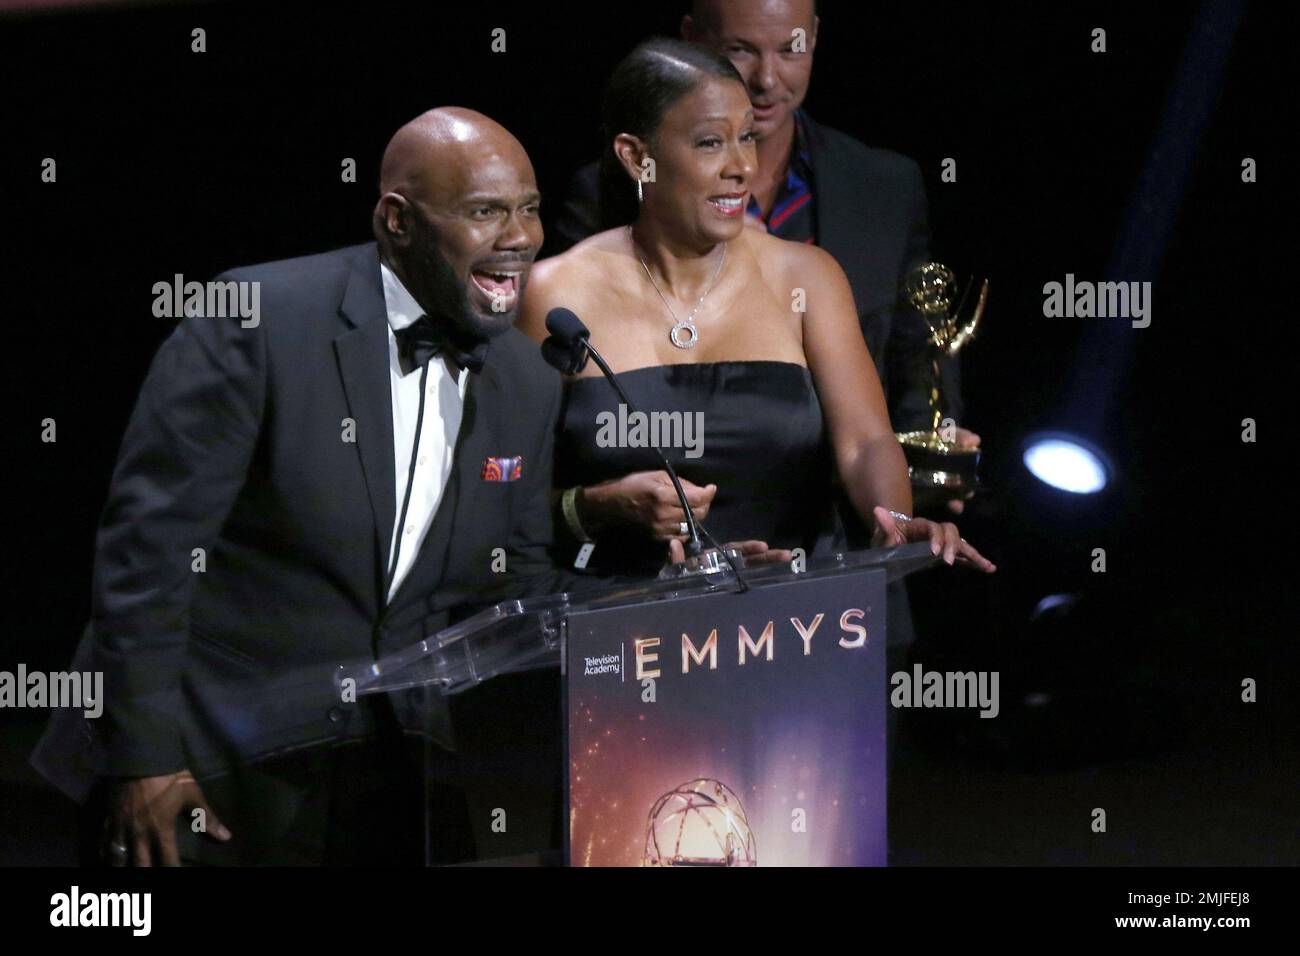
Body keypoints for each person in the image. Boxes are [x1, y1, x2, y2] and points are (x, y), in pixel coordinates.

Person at [31, 107, 585, 866]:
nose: (519, 237)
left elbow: (514, 592)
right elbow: (147, 560)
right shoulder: (254, 321)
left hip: (380, 775)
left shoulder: (526, 378)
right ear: (397, 220)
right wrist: (144, 759)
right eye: (485, 211)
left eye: (528, 209)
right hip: (205, 757)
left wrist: (673, 604)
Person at [519, 39, 995, 587]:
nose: (742, 166)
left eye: (747, 137)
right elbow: (502, 499)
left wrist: (896, 518)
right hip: (616, 631)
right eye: (710, 143)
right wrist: (595, 507)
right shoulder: (552, 295)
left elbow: (864, 441)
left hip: (791, 621)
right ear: (635, 157)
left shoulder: (808, 277)